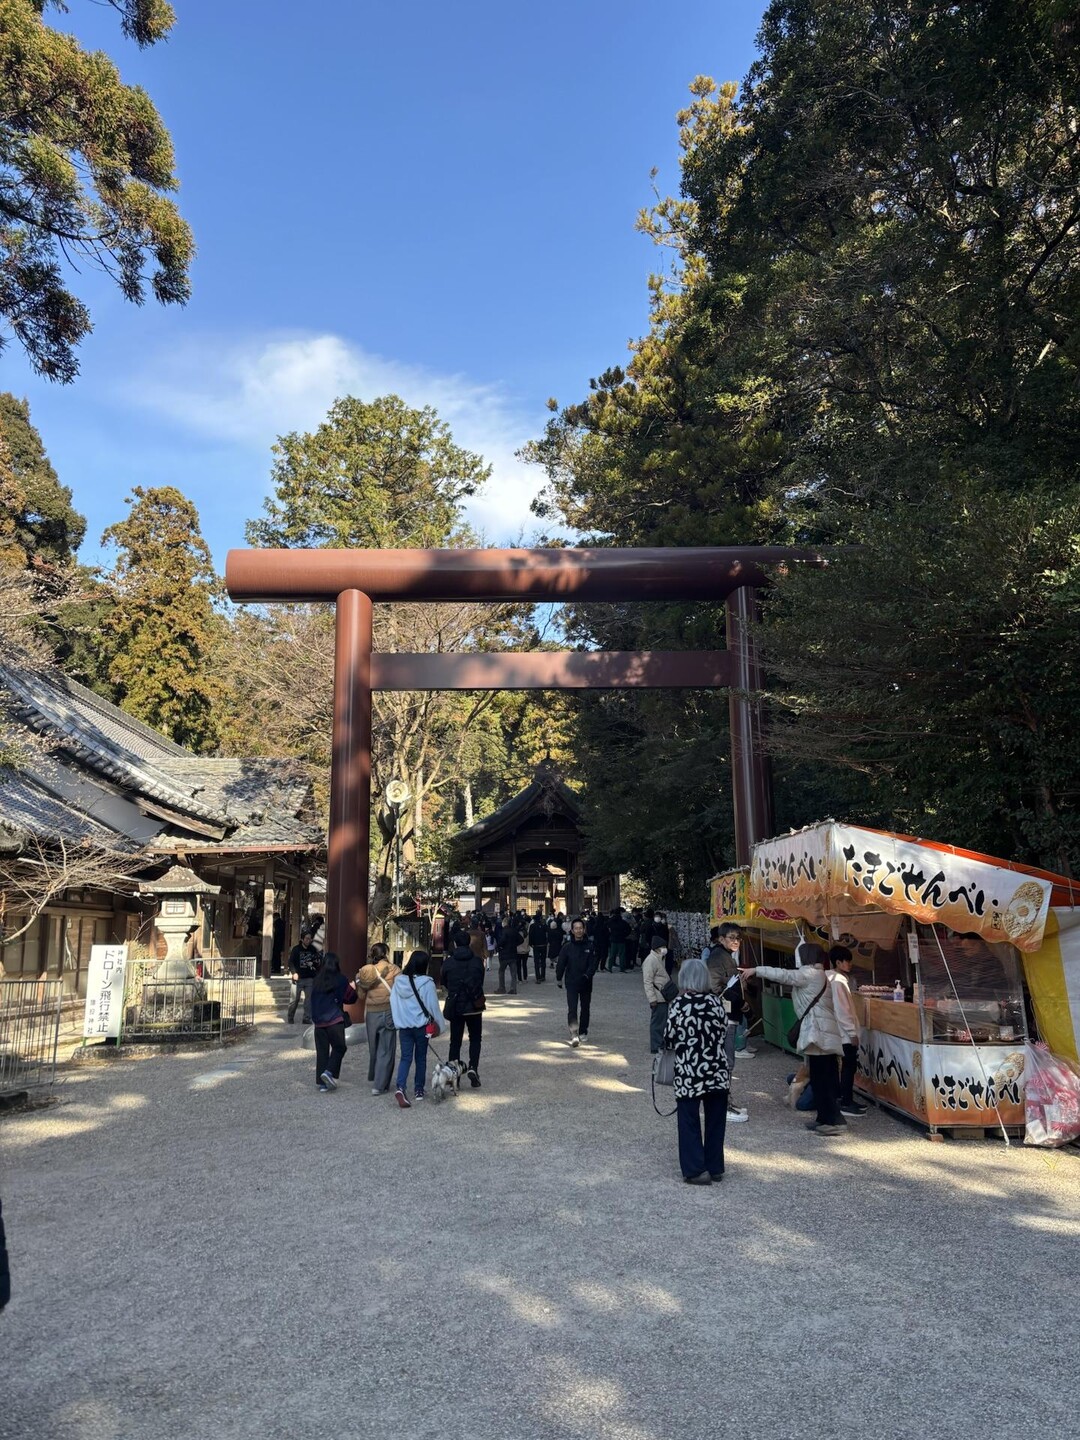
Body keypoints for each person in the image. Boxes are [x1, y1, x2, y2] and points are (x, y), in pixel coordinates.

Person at [741, 942, 858, 1135]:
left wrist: (756, 970)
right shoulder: (820, 974)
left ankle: (834, 1121)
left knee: (823, 1080)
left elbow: (783, 975)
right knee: (823, 1078)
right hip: (822, 1034)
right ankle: (824, 1118)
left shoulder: (810, 974)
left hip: (818, 1034)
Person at [662, 957, 730, 1184]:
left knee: (689, 1120)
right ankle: (715, 1166)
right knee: (715, 1121)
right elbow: (723, 1032)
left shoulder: (679, 1005)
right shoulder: (716, 1002)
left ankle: (695, 1169)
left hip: (689, 1070)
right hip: (716, 1069)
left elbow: (668, 1038)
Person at [389, 951, 445, 1107]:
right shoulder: (427, 983)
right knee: (421, 1058)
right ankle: (419, 1089)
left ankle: (400, 1086)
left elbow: (394, 1003)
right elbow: (432, 1006)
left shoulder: (398, 982)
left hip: (404, 1027)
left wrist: (398, 1020)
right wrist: (440, 1025)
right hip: (422, 1026)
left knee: (405, 1058)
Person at [354, 942, 401, 1095]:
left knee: (373, 1048)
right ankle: (380, 1085)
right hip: (388, 1011)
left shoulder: (365, 972)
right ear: (386, 953)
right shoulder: (394, 970)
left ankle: (375, 1078)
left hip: (371, 1014)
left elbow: (360, 995)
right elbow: (399, 991)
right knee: (386, 1049)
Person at [309, 953, 357, 1092]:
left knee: (322, 1051)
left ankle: (322, 1083)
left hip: (319, 1021)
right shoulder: (341, 979)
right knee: (340, 1047)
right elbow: (350, 998)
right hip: (334, 1020)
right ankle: (329, 1072)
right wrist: (353, 987)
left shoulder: (317, 980)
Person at [442, 934, 485, 1087]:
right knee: (475, 1038)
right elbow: (480, 980)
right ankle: (473, 1067)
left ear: (454, 943)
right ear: (469, 943)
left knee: (455, 1042)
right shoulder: (477, 961)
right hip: (474, 1005)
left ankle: (454, 1074)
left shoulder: (449, 963)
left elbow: (444, 981)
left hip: (456, 1006)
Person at [830, 945, 866, 1117]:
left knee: (842, 1067)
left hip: (835, 1031)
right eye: (847, 961)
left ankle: (842, 1098)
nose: (850, 964)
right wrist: (852, 1033)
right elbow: (843, 1010)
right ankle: (846, 1101)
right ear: (838, 962)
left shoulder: (829, 977)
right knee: (848, 1067)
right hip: (845, 1034)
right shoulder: (838, 981)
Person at [556, 917, 597, 1047]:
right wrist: (559, 978)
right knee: (572, 1008)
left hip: (586, 982)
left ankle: (583, 1031)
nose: (578, 930)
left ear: (584, 930)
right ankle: (574, 1033)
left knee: (585, 1008)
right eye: (576, 928)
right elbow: (561, 964)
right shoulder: (567, 947)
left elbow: (593, 964)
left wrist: (587, 975)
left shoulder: (590, 946)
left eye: (581, 928)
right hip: (571, 982)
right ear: (572, 931)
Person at [642, 934, 673, 1054]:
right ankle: (656, 1045)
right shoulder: (650, 961)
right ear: (657, 948)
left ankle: (660, 1043)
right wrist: (652, 999)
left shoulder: (659, 958)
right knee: (657, 1022)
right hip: (657, 997)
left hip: (663, 996)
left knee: (662, 1021)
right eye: (663, 947)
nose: (665, 949)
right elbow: (647, 981)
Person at [287, 926, 321, 1024]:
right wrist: (294, 973)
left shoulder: (313, 949)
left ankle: (306, 1018)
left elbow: (316, 961)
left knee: (308, 1000)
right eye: (306, 938)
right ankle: (290, 1016)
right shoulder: (296, 950)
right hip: (298, 978)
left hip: (310, 978)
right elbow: (291, 962)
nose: (308, 940)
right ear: (302, 939)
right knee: (294, 1000)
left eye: (310, 939)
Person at [496, 921, 520, 995]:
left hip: (504, 954)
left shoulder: (503, 931)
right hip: (513, 953)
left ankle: (502, 988)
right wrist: (515, 944)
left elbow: (501, 941)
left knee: (501, 971)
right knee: (513, 972)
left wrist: (499, 946)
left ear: (504, 924)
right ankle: (513, 988)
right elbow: (521, 939)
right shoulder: (514, 931)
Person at [528, 910, 549, 982]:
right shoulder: (544, 925)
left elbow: (530, 936)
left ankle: (538, 977)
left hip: (536, 946)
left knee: (536, 962)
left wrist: (531, 944)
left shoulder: (532, 926)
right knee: (543, 961)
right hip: (543, 945)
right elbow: (548, 933)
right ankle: (543, 976)